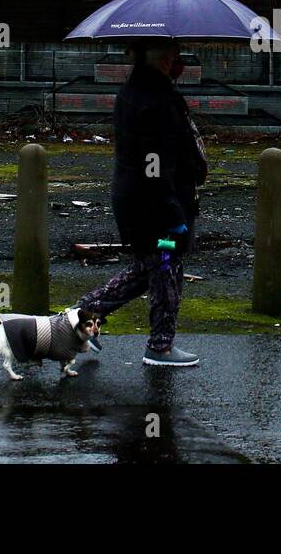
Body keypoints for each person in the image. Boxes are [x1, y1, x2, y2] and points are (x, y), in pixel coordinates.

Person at [76, 38, 207, 366]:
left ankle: (80, 319)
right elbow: (154, 163)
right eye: (175, 53)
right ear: (162, 58)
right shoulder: (154, 100)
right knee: (165, 268)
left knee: (149, 268)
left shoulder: (143, 92)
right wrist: (171, 208)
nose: (179, 59)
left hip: (146, 202)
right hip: (156, 207)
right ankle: (159, 346)